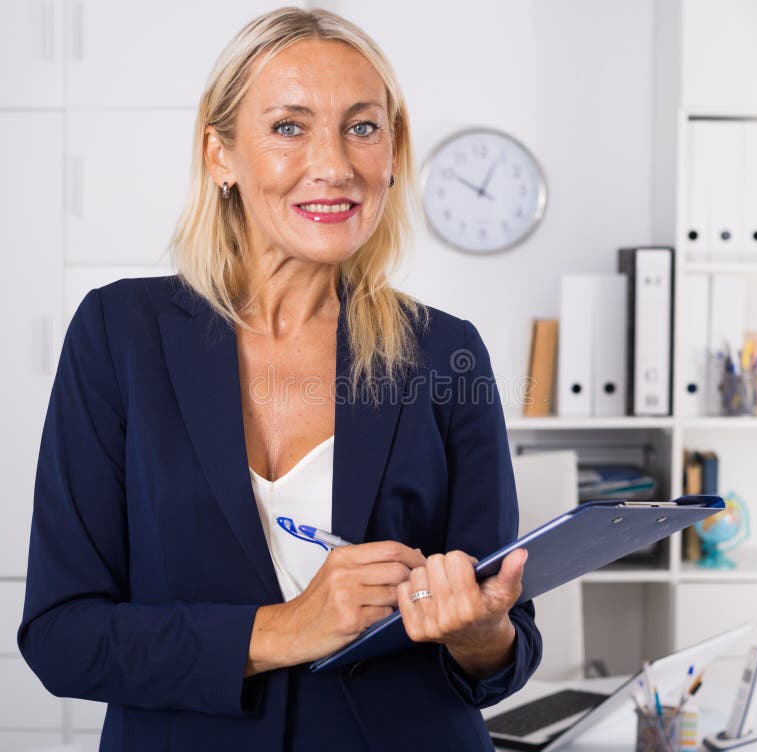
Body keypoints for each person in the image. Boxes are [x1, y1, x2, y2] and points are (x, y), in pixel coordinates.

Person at [17, 6, 542, 751]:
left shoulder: (445, 351)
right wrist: (287, 628)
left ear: (392, 153)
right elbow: (63, 637)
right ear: (220, 154)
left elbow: (504, 652)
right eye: (290, 127)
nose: (335, 165)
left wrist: (479, 631)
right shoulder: (119, 333)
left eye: (362, 127)